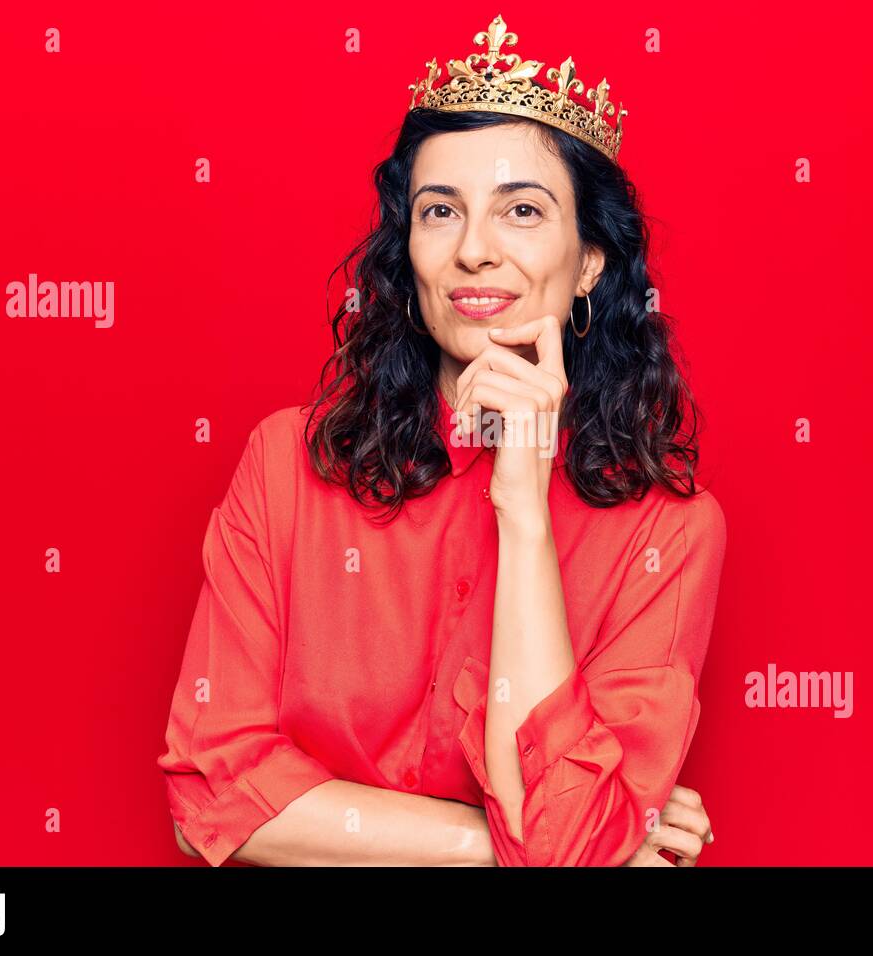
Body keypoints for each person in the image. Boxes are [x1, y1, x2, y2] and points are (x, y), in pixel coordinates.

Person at [157, 13, 727, 867]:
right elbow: (211, 793)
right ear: (410, 245)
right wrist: (521, 846)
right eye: (440, 211)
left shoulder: (667, 533)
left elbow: (565, 842)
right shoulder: (287, 467)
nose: (473, 251)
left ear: (591, 263)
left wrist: (525, 512)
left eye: (522, 211)